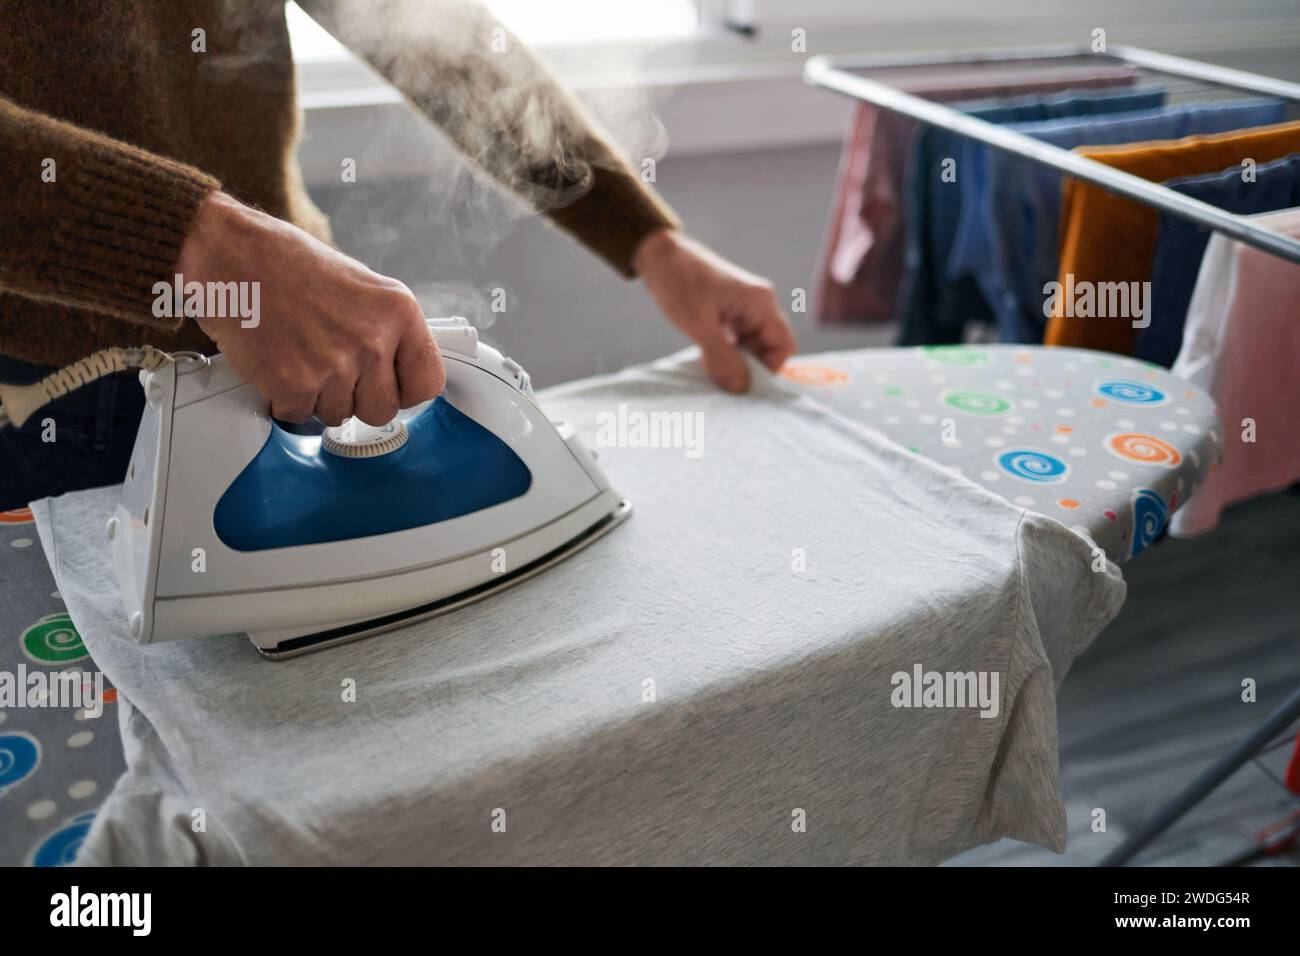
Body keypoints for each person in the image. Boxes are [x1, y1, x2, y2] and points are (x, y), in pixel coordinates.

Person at [0, 0, 795, 509]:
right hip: (41, 396)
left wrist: (653, 244)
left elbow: (434, 37)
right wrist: (203, 246)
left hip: (305, 355)